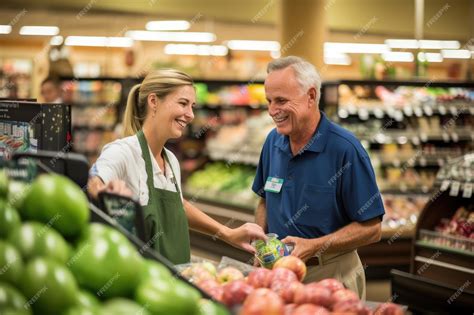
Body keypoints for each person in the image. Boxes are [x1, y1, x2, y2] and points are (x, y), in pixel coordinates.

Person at [88, 69, 266, 264]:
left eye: (192, 106)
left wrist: (227, 233)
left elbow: (178, 206)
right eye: (183, 103)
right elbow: (95, 178)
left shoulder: (171, 160)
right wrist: (104, 189)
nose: (190, 115)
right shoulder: (123, 151)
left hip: (177, 281)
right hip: (144, 285)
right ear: (154, 101)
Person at [252, 56, 385, 299]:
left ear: (311, 96)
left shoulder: (345, 149)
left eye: (281, 100)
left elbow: (372, 228)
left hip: (330, 277)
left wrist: (314, 246)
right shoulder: (273, 142)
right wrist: (261, 241)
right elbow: (264, 199)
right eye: (269, 101)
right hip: (280, 275)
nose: (272, 110)